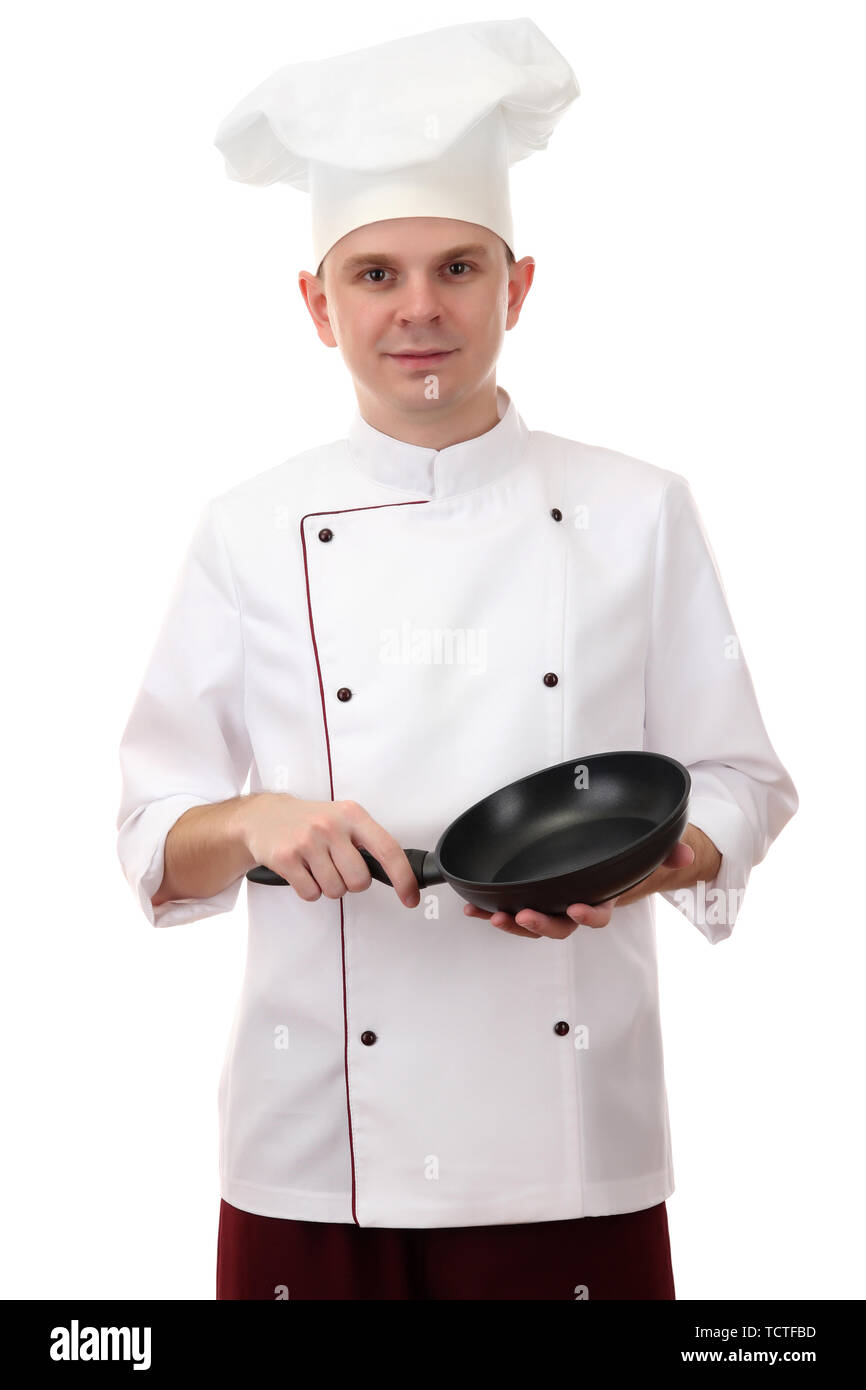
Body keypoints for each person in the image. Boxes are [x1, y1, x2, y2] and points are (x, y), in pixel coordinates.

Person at [116, 18, 798, 1301]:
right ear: (317, 306)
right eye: (373, 273)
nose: (417, 308)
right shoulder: (247, 527)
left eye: (456, 268)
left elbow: (739, 780)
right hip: (316, 1137)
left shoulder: (636, 508)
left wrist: (654, 862)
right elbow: (150, 831)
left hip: (568, 1144)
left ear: (517, 286)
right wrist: (257, 819)